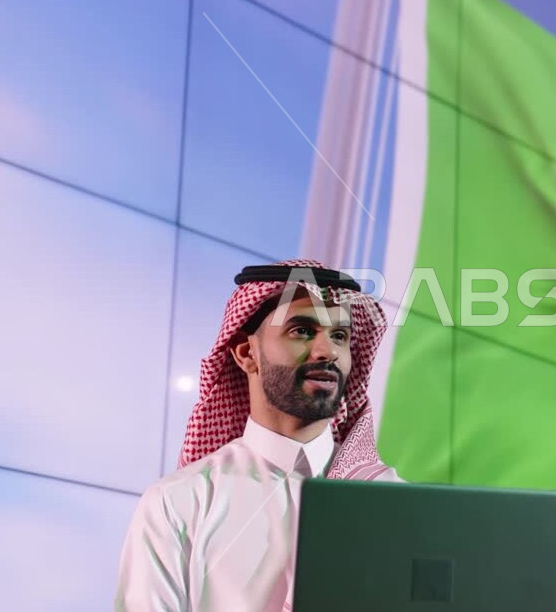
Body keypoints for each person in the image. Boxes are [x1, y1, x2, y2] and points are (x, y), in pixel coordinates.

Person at [115, 260, 401, 611]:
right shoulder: (181, 502)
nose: (327, 351)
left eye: (339, 336)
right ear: (247, 353)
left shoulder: (395, 499)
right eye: (302, 331)